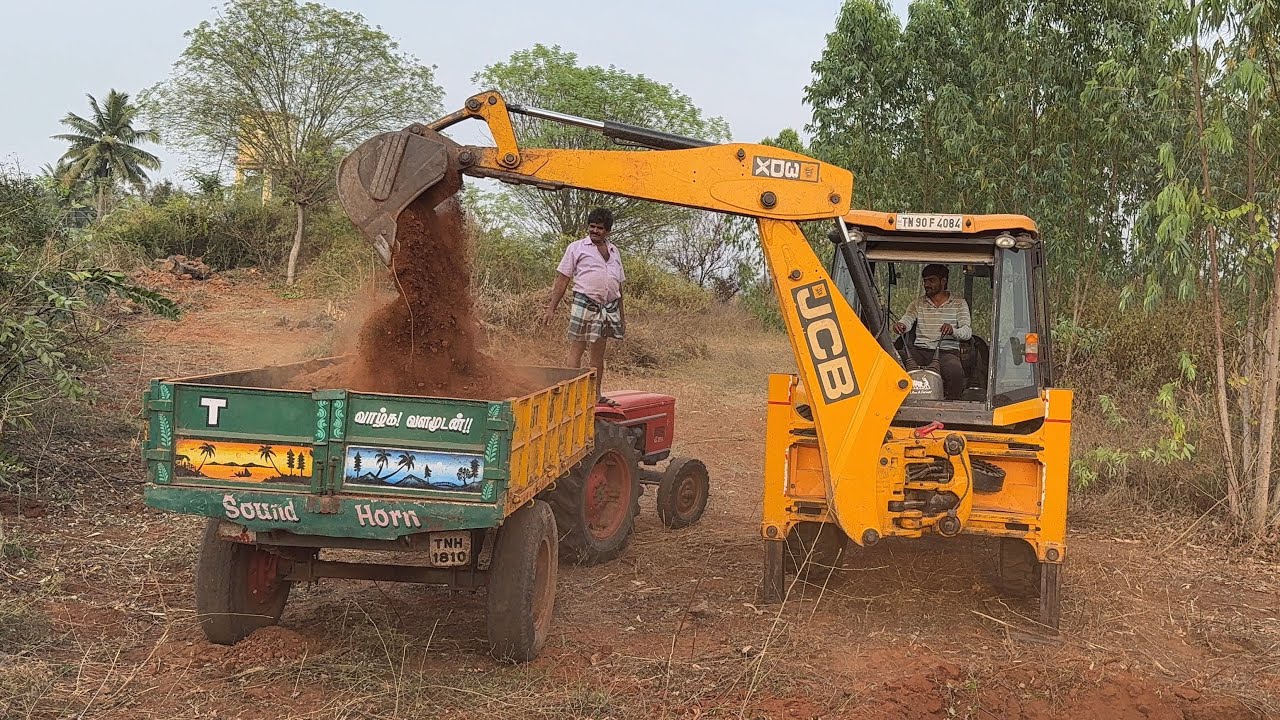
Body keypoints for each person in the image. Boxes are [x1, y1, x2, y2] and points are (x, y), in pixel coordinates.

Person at [544, 208, 625, 405]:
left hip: (608, 306)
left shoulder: (614, 252)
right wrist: (551, 307)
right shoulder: (577, 248)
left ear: (608, 231)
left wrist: (622, 317)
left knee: (598, 354)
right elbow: (563, 279)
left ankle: (595, 395)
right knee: (577, 349)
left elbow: (620, 286)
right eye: (592, 227)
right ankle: (570, 395)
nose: (595, 231)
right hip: (584, 303)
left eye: (600, 228)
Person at [892, 264, 972, 400]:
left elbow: (967, 331)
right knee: (893, 361)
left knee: (955, 370)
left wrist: (953, 330)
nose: (927, 284)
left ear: (943, 281)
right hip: (919, 351)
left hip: (946, 352)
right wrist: (901, 325)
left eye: (931, 280)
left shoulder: (959, 303)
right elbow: (907, 320)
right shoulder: (918, 303)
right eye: (925, 281)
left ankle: (952, 404)